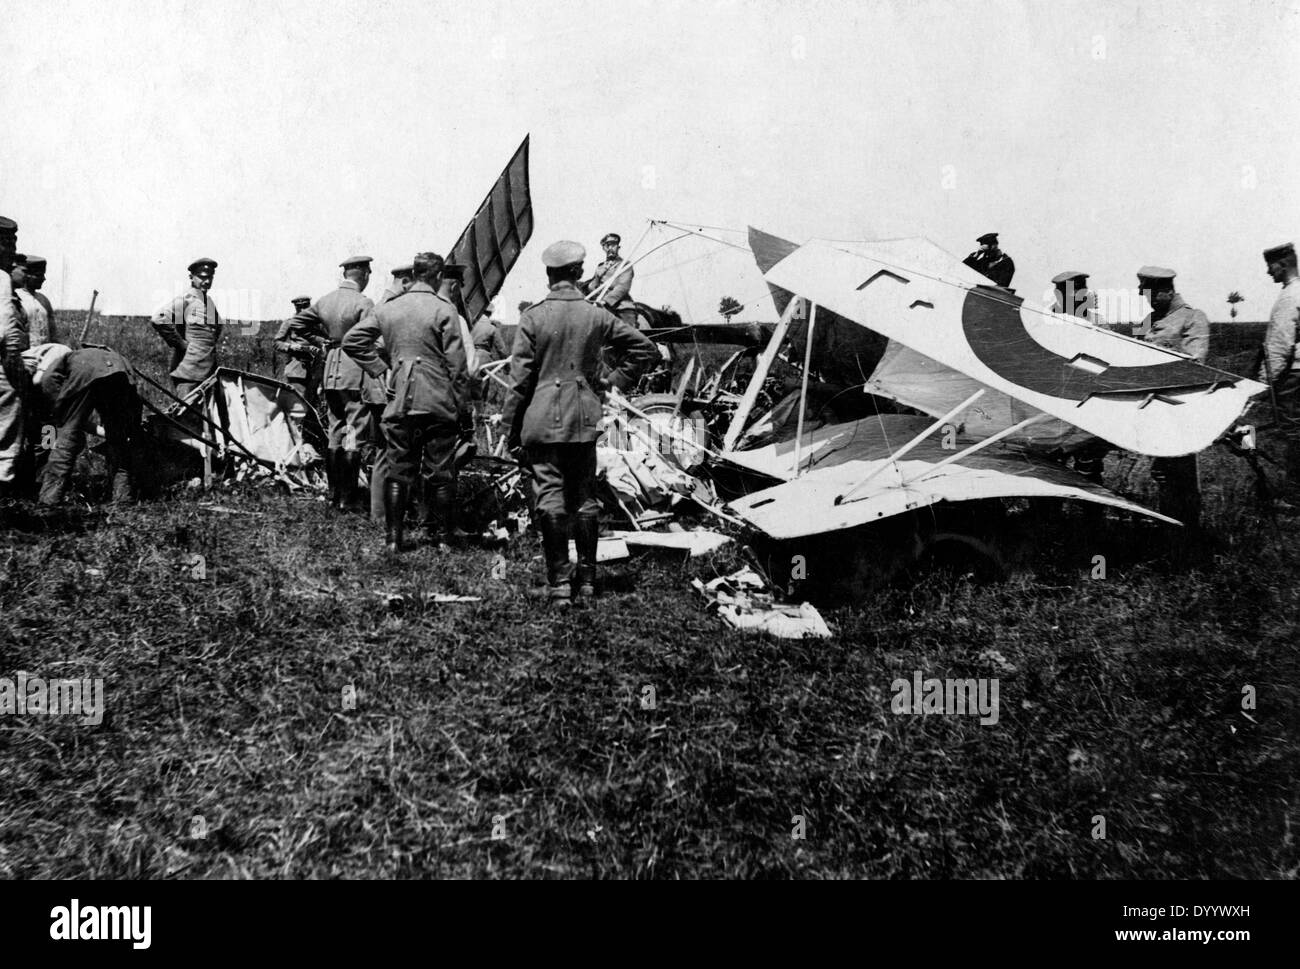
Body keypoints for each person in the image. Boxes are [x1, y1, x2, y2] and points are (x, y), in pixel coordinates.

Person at [502, 239, 658, 607]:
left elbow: (520, 381)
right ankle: (587, 581)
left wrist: (511, 427)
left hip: (542, 420)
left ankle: (559, 584)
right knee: (585, 497)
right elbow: (645, 349)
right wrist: (612, 381)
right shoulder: (596, 314)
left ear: (548, 274)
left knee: (550, 496)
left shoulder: (534, 316)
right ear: (579, 273)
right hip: (585, 418)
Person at [343, 251, 469, 552]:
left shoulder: (390, 308)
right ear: (438, 277)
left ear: (414, 274)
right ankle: (442, 540)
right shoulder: (444, 309)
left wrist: (382, 369)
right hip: (438, 401)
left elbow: (352, 341)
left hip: (399, 400)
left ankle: (394, 539)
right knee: (440, 471)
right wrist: (463, 408)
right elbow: (458, 368)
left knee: (399, 470)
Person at [288, 256, 378, 512]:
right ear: (361, 274)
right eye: (368, 273)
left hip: (331, 369)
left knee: (335, 430)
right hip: (354, 368)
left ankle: (333, 493)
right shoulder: (363, 302)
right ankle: (347, 498)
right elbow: (372, 336)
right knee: (354, 430)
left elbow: (298, 324)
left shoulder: (325, 300)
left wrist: (321, 341)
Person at [22, 343, 142, 505]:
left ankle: (49, 500)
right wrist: (130, 430)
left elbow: (45, 383)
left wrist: (60, 417)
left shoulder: (57, 356)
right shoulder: (68, 356)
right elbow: (133, 403)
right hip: (120, 370)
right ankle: (123, 497)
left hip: (84, 375)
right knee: (118, 440)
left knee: (65, 441)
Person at [1135, 266, 1210, 524]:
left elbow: (1194, 366)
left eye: (1150, 294)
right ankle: (1168, 525)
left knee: (1181, 474)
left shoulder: (1193, 318)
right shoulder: (1147, 320)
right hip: (1153, 407)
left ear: (1165, 291)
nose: (1148, 300)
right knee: (1162, 472)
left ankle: (1185, 532)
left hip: (1178, 410)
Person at [1259, 242, 1300, 492]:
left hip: (1293, 374)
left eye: (1270, 266)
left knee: (1293, 433)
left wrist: (1264, 382)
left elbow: (1279, 344)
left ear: (1283, 265)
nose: (1267, 272)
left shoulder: (1289, 297)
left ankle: (1293, 494)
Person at [151, 257, 222, 400]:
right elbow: (158, 319)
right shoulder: (186, 300)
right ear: (191, 277)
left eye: (210, 277)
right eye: (202, 277)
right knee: (186, 418)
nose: (207, 281)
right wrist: (181, 344)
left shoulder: (209, 303)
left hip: (209, 373)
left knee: (206, 419)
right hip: (188, 373)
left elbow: (216, 328)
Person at [0, 216, 29, 500]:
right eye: (9, 243)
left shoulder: (38, 302)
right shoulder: (2, 280)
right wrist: (16, 368)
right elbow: (8, 333)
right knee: (8, 431)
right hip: (9, 365)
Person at [273, 295, 322, 417]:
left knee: (313, 405)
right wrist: (291, 346)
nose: (302, 310)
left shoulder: (317, 324)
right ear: (296, 308)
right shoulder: (289, 323)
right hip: (297, 368)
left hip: (315, 368)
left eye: (305, 307)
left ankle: (309, 434)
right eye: (299, 307)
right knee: (297, 405)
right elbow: (276, 342)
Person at [581, 232, 639, 329]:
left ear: (618, 247)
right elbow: (592, 288)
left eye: (613, 245)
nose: (610, 248)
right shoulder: (600, 267)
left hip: (620, 306)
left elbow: (623, 287)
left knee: (628, 333)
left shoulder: (625, 264)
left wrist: (606, 301)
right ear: (603, 248)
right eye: (607, 246)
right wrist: (597, 277)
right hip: (601, 305)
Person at [12, 255, 58, 343]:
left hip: (46, 353)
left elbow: (53, 334)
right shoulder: (15, 298)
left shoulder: (44, 300)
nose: (44, 279)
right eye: (39, 275)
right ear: (27, 275)